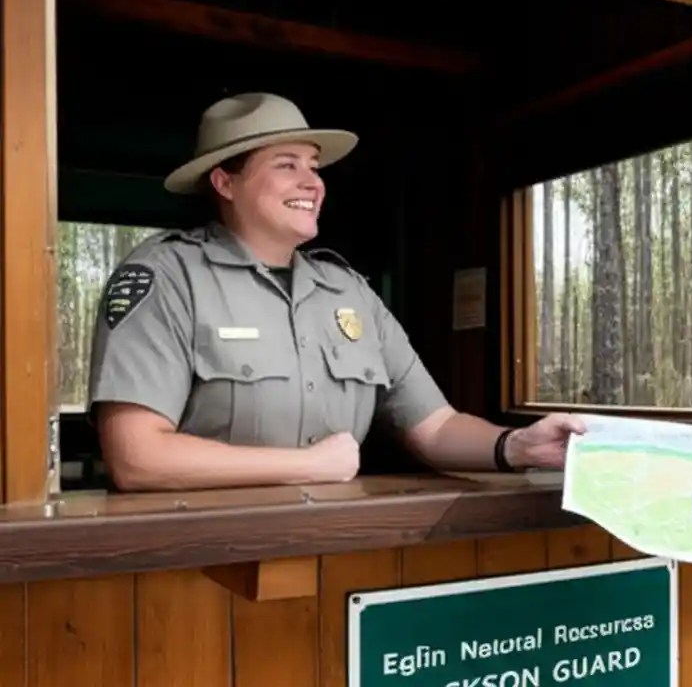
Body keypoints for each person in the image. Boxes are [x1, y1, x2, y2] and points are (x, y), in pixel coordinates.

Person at [86, 92, 585, 492]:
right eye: (286, 165)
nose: (313, 182)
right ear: (225, 182)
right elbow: (137, 457)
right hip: (201, 574)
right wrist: (306, 466)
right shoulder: (169, 277)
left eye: (314, 166)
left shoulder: (348, 292)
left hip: (333, 561)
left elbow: (434, 427)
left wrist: (517, 445)